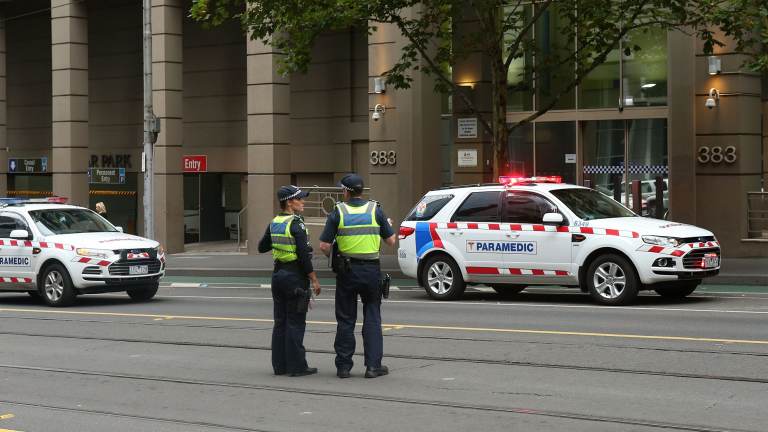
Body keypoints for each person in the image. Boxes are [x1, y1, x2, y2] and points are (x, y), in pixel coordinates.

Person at [319, 174, 396, 379]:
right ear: (362, 191)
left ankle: (343, 367)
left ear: (346, 191)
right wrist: (385, 224)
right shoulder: (375, 210)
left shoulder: (338, 212)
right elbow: (391, 241)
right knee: (372, 317)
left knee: (345, 319)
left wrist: (335, 256)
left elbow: (324, 246)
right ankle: (373, 367)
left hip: (347, 271)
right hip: (371, 271)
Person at [258, 185, 321, 377]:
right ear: (289, 202)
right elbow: (304, 256)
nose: (303, 202)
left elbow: (262, 247)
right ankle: (296, 367)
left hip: (278, 276)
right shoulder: (297, 224)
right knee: (295, 322)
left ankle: (280, 366)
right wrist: (314, 280)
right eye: (299, 199)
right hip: (294, 277)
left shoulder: (275, 222)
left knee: (280, 322)